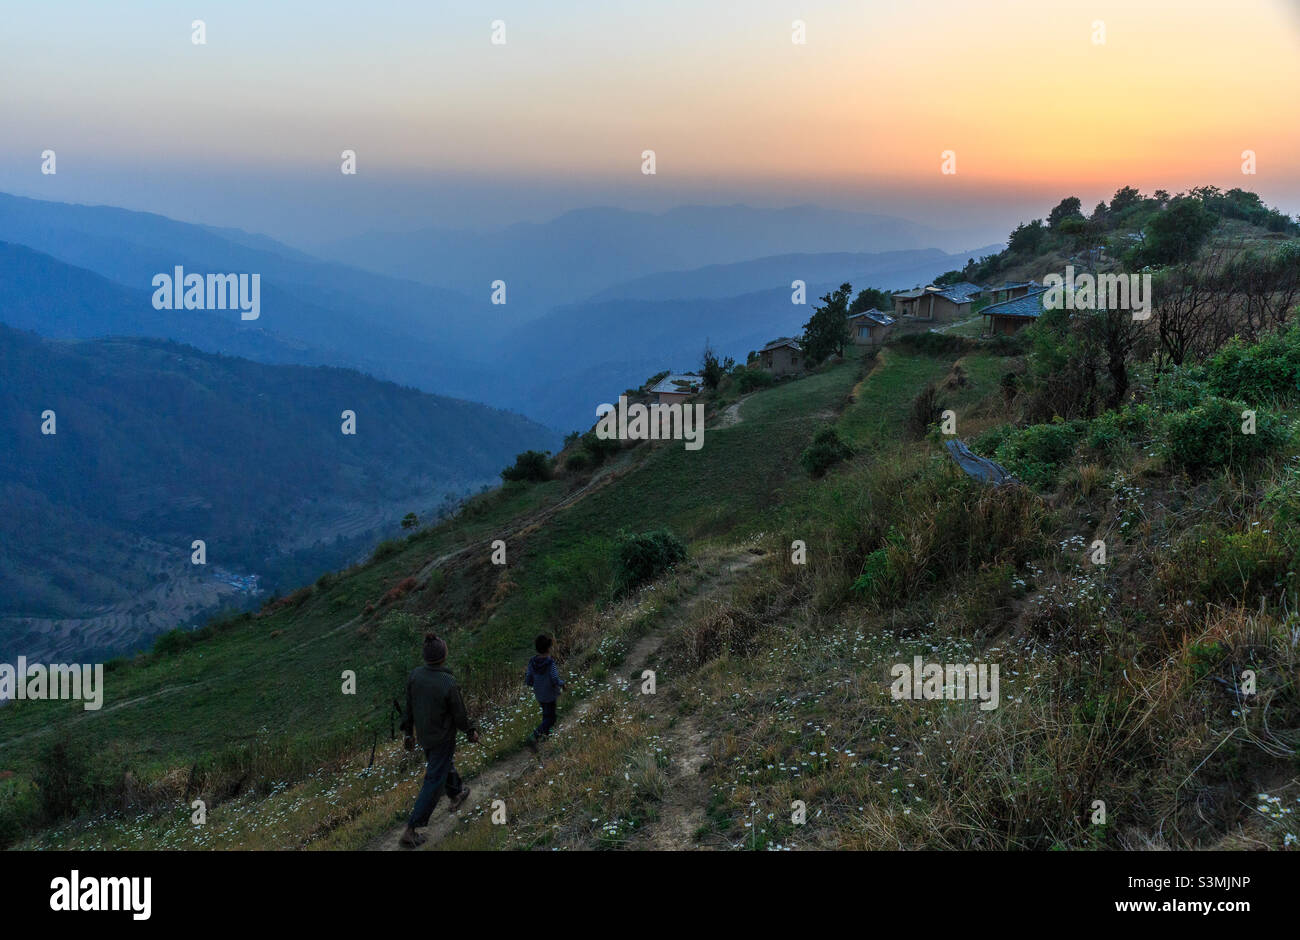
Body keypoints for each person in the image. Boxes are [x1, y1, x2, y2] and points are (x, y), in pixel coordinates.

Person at [398, 632, 478, 849]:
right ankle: (411, 829)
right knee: (434, 779)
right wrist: (470, 731)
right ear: (443, 655)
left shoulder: (415, 675)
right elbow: (459, 713)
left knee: (442, 765)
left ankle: (456, 792)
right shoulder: (447, 681)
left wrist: (408, 733)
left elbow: (409, 707)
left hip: (425, 736)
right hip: (443, 737)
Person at [524, 634, 565, 751]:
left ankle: (546, 735)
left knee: (546, 714)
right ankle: (534, 736)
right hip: (550, 693)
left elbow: (528, 678)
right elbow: (554, 678)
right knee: (551, 718)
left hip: (539, 694)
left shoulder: (532, 662)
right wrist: (562, 684)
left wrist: (534, 684)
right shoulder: (550, 663)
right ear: (548, 648)